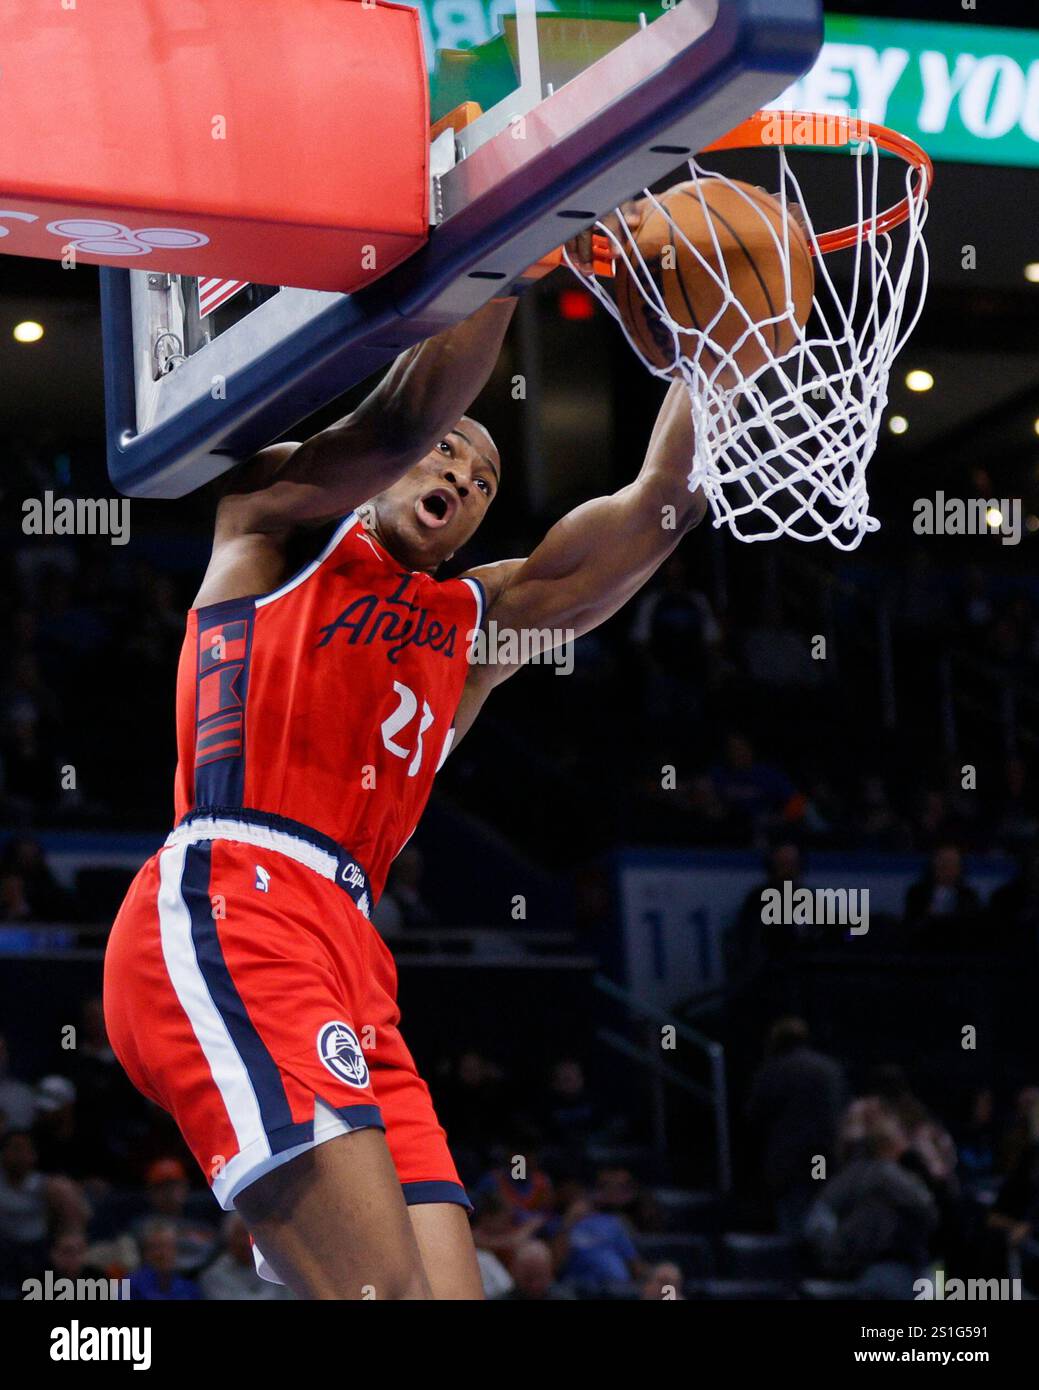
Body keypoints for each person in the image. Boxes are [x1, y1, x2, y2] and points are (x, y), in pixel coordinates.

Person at [103, 214, 709, 1301]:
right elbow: (401, 416)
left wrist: (722, 360)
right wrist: (524, 228)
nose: (462, 476)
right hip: (230, 897)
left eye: (483, 481)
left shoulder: (472, 631)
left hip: (351, 953)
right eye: (449, 457)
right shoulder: (277, 523)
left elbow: (646, 521)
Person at [745, 1017, 846, 1237]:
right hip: (823, 1156)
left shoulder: (774, 1069)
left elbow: (755, 1114)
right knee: (823, 1210)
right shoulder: (829, 1069)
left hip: (789, 1161)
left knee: (793, 1222)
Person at [200, 1214, 295, 1300]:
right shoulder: (213, 1276)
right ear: (229, 1239)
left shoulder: (278, 1266)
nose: (246, 1242)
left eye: (252, 1236)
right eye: (241, 1235)